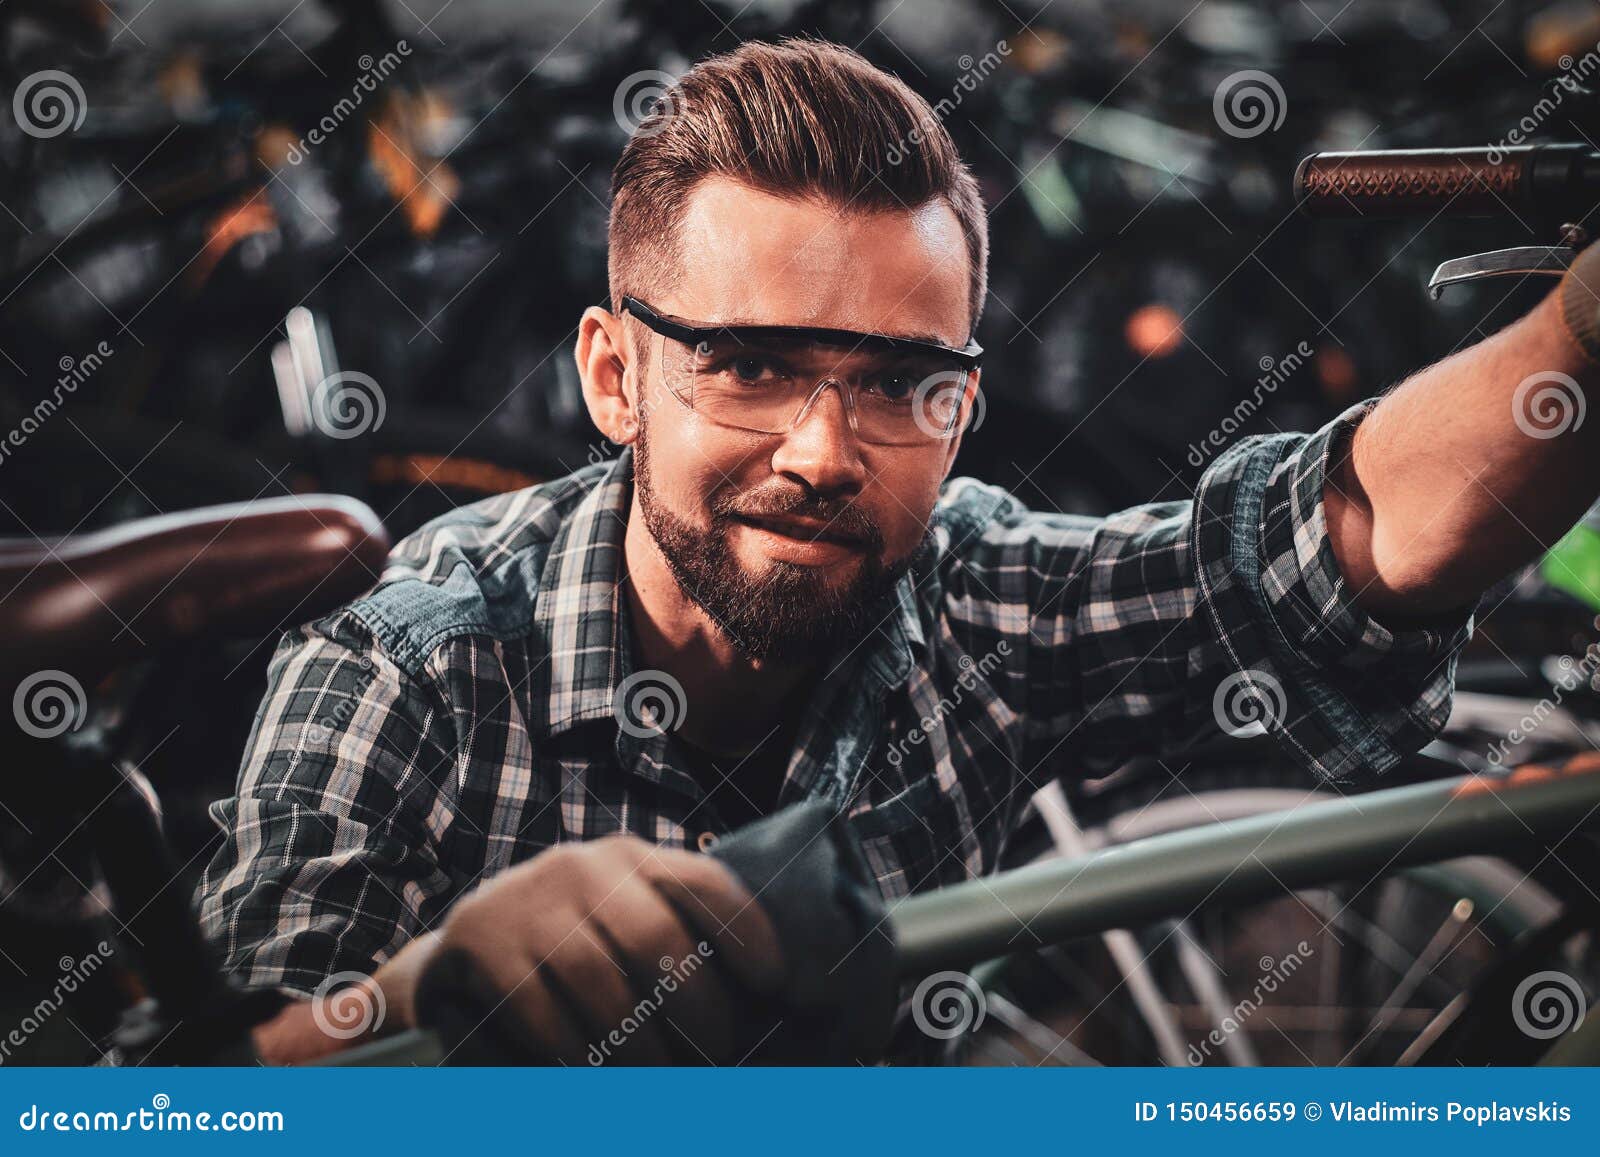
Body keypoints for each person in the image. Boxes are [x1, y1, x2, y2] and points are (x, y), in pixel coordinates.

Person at [200, 38, 1600, 1064]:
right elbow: (222, 1086)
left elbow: (1332, 551)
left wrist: (1575, 339)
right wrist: (432, 988)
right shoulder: (406, 660)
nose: (824, 451)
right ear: (615, 377)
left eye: (897, 382)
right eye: (748, 365)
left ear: (965, 405)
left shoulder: (962, 599)